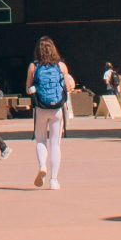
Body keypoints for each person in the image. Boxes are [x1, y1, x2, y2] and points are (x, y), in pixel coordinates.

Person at [27, 37, 75, 189]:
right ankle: (54, 180)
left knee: (41, 140)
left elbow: (28, 88)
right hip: (57, 109)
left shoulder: (33, 66)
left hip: (40, 108)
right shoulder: (61, 66)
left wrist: (34, 89)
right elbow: (68, 88)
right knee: (55, 144)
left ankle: (42, 166)